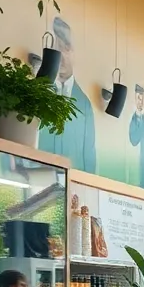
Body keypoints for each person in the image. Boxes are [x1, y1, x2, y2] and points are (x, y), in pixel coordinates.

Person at [37, 17, 96, 173]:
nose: (61, 54)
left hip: (73, 190)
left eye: (66, 47)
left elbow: (89, 157)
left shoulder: (84, 105)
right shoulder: (37, 95)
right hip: (39, 181)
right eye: (57, 47)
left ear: (75, 52)